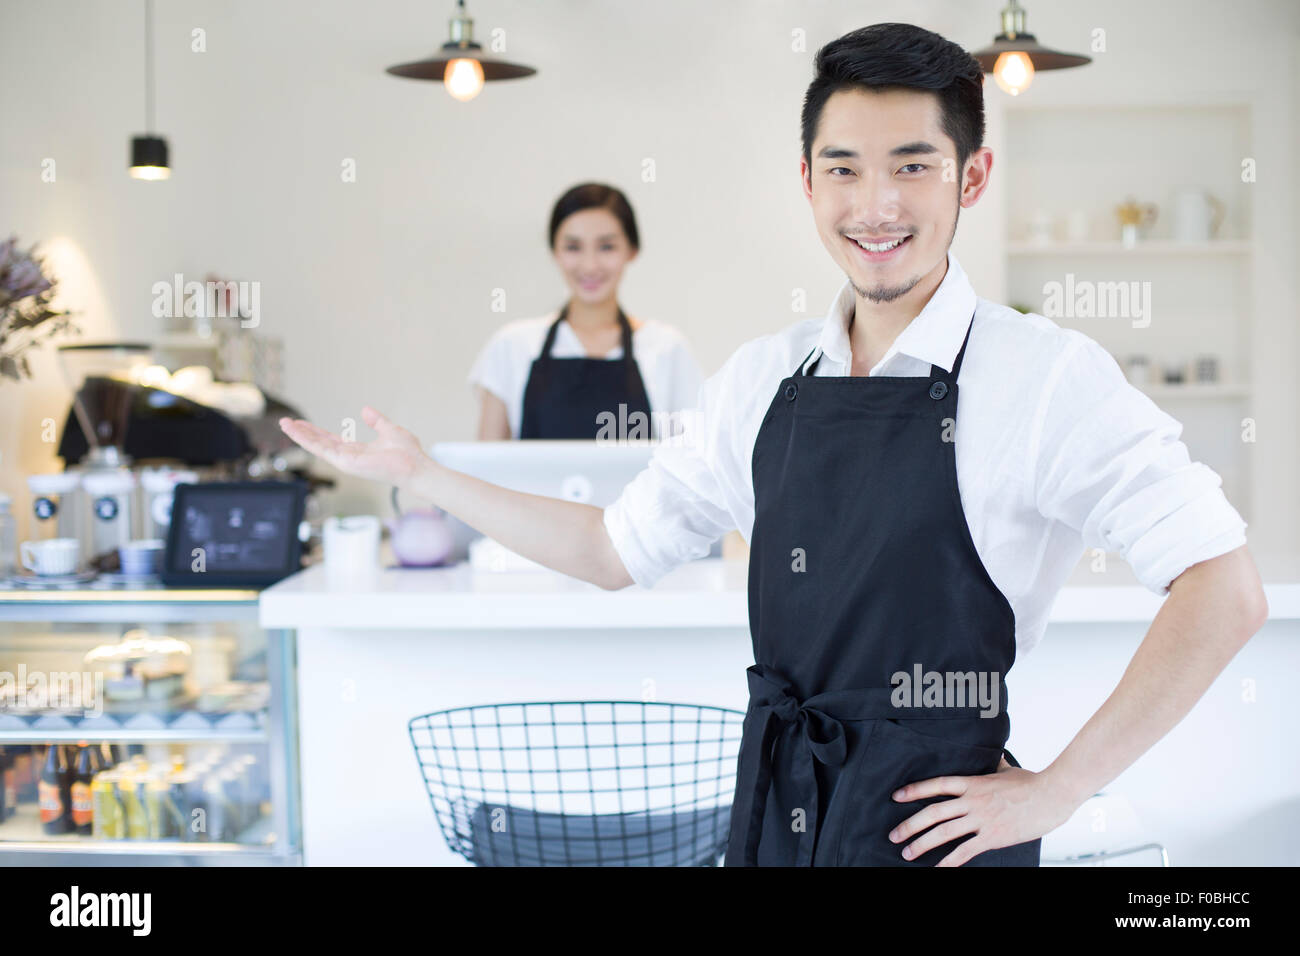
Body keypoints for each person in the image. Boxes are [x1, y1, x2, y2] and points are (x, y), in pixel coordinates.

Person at [280, 22, 1267, 867]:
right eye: (843, 168)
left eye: (911, 166)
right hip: (777, 810)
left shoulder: (1046, 374)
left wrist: (1059, 788)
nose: (874, 205)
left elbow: (1223, 588)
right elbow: (611, 550)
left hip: (940, 831)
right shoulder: (762, 375)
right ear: (806, 179)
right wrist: (426, 474)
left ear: (973, 174)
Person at [468, 182, 702, 440]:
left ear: (632, 251)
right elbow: (486, 468)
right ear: (554, 252)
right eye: (573, 247)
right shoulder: (512, 345)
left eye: (606, 247)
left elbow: (689, 465)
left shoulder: (666, 348)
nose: (590, 266)